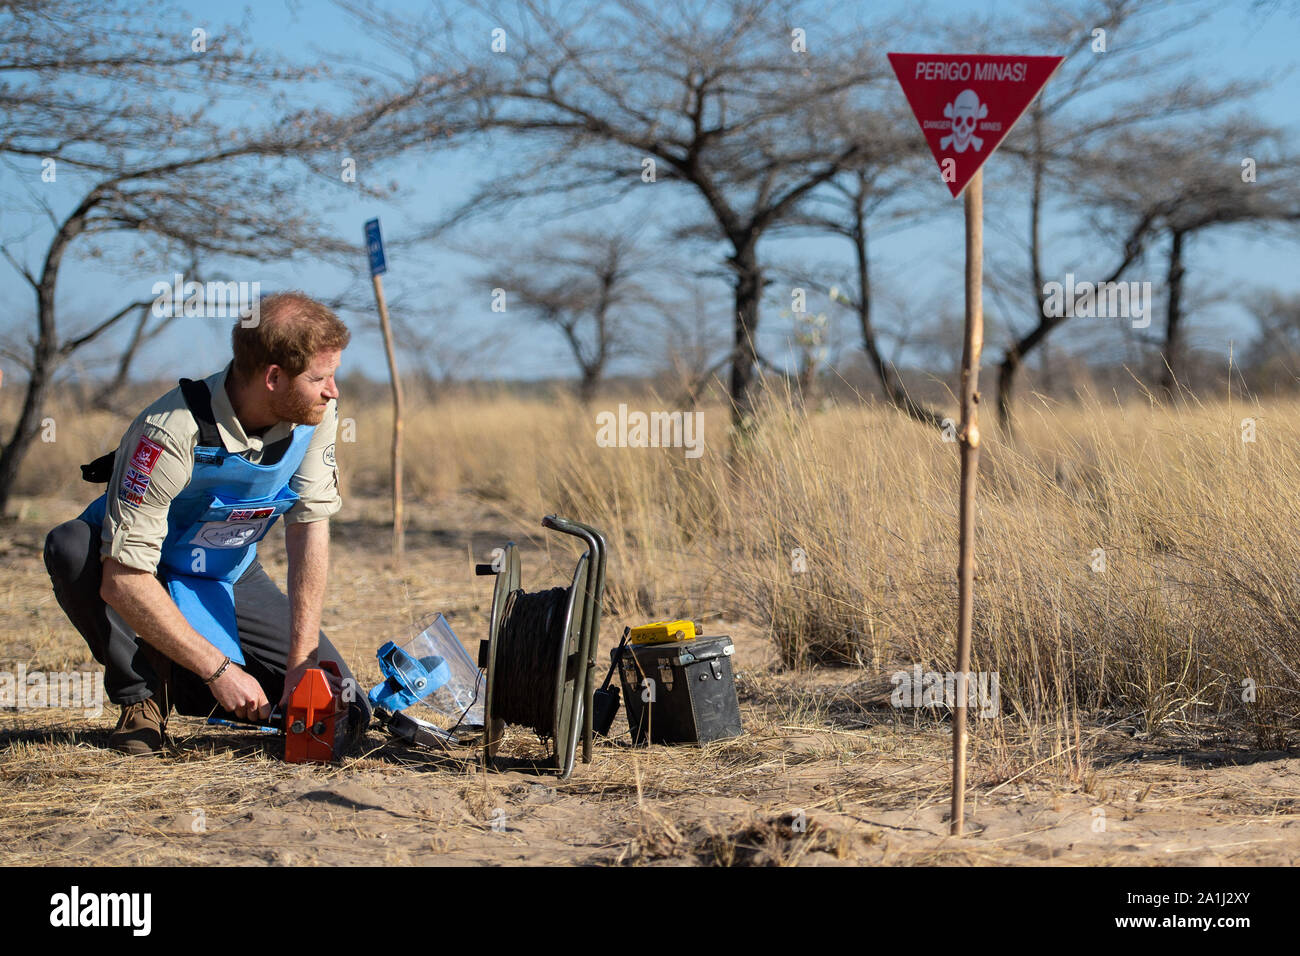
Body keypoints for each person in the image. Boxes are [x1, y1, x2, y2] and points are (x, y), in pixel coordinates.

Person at [43, 291, 369, 756]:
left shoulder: (315, 414)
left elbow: (309, 524)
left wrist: (302, 662)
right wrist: (220, 670)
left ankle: (184, 680)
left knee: (343, 713)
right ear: (272, 377)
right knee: (70, 544)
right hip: (141, 569)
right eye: (320, 378)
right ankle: (144, 694)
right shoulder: (169, 432)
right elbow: (122, 581)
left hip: (225, 569)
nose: (333, 390)